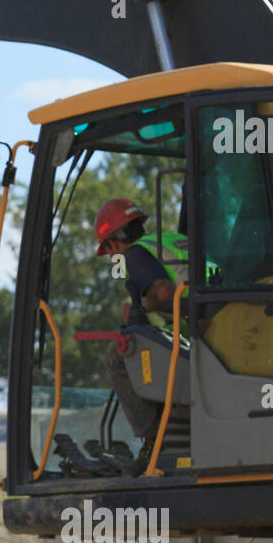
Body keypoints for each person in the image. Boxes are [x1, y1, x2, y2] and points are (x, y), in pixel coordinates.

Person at [93, 198, 192, 473]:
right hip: (216, 322)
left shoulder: (134, 254)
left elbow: (162, 294)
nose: (113, 259)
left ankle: (152, 440)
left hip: (206, 327)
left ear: (113, 242)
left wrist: (141, 308)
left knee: (120, 355)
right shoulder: (171, 241)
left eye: (108, 251)